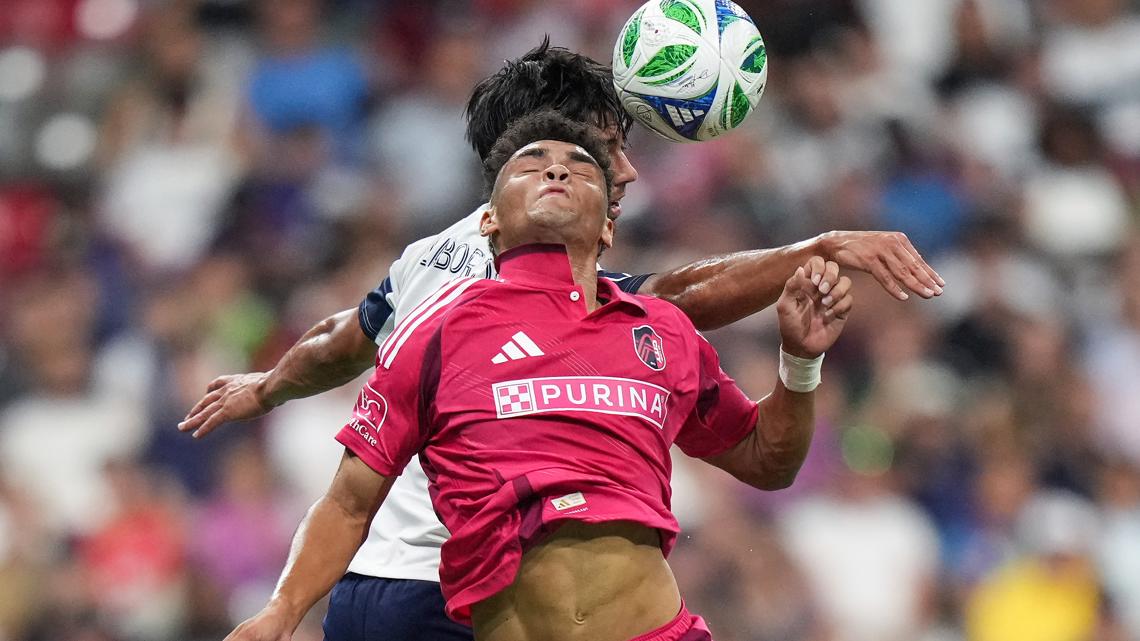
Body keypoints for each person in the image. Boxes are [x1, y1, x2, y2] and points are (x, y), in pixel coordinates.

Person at [182, 39, 943, 641]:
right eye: (605, 147)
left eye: (595, 157)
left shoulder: (428, 258)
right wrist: (818, 249)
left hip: (395, 580)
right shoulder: (508, 282)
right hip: (448, 586)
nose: (626, 170)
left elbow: (341, 337)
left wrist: (267, 386)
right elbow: (675, 297)